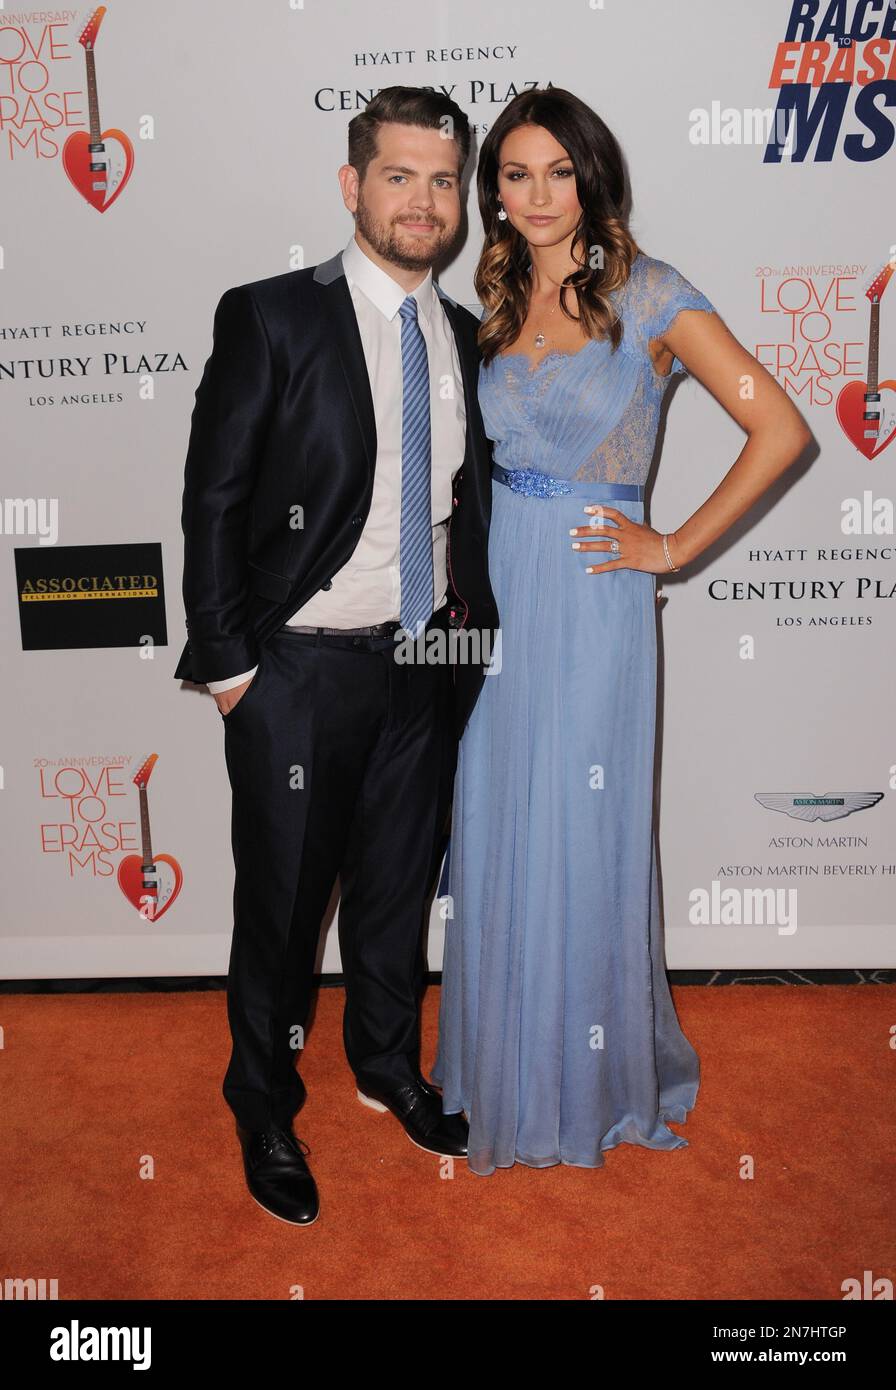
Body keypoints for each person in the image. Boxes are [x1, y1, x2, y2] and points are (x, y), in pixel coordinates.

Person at [432, 87, 813, 1176]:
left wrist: (673, 545)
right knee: (494, 818)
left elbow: (777, 426)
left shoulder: (651, 295)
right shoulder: (491, 297)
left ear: (591, 177)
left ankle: (586, 1082)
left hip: (594, 596)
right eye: (513, 173)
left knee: (578, 826)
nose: (536, 194)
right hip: (494, 594)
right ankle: (497, 1072)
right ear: (491, 192)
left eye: (557, 170)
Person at [175, 86, 498, 1224]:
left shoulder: (463, 336)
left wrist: (467, 646)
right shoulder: (271, 316)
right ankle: (260, 1100)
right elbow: (211, 499)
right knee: (279, 908)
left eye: (442, 179)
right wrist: (230, 671)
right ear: (350, 182)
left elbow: (465, 511)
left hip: (422, 666)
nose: (423, 201)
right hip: (296, 673)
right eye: (399, 175)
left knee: (396, 890)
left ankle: (384, 1064)